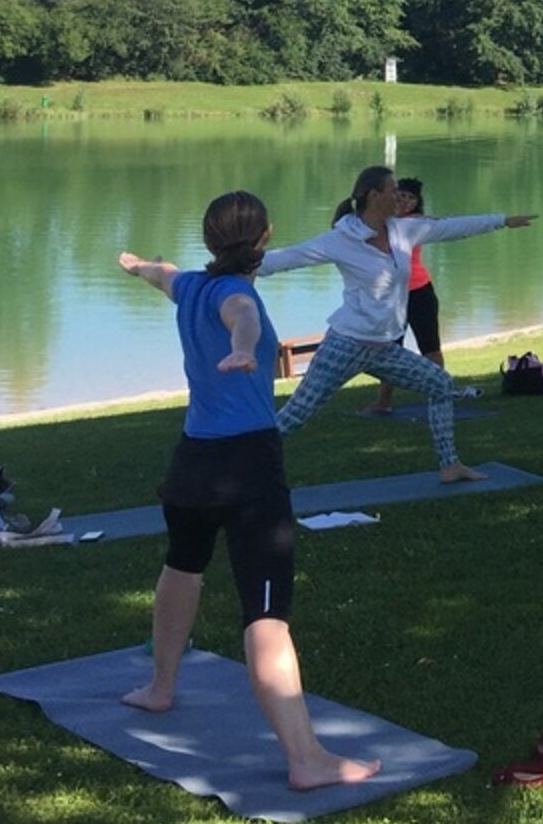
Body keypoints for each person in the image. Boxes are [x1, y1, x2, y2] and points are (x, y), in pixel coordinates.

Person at [116, 193, 380, 791]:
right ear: (265, 238)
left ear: (210, 241)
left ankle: (160, 689)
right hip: (248, 469)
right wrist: (241, 347)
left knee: (183, 565)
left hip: (192, 463)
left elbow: (162, 274)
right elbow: (245, 318)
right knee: (266, 615)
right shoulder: (238, 295)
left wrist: (135, 266)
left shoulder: (189, 287)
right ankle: (306, 760)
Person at [260, 165, 536, 482]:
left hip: (385, 350)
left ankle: (450, 466)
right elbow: (285, 259)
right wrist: (227, 267)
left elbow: (452, 228)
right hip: (347, 344)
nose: (399, 197)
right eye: (393, 190)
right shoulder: (341, 239)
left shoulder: (403, 230)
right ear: (373, 196)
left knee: (440, 384)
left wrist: (501, 221)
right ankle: (238, 465)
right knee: (294, 416)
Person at [367, 177, 447, 417]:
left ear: (416, 203)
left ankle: (440, 396)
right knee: (391, 349)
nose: (404, 201)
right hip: (392, 296)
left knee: (430, 347)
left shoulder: (414, 222)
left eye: (410, 198)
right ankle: (383, 402)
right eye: (400, 195)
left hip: (419, 291)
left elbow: (436, 223)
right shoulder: (381, 221)